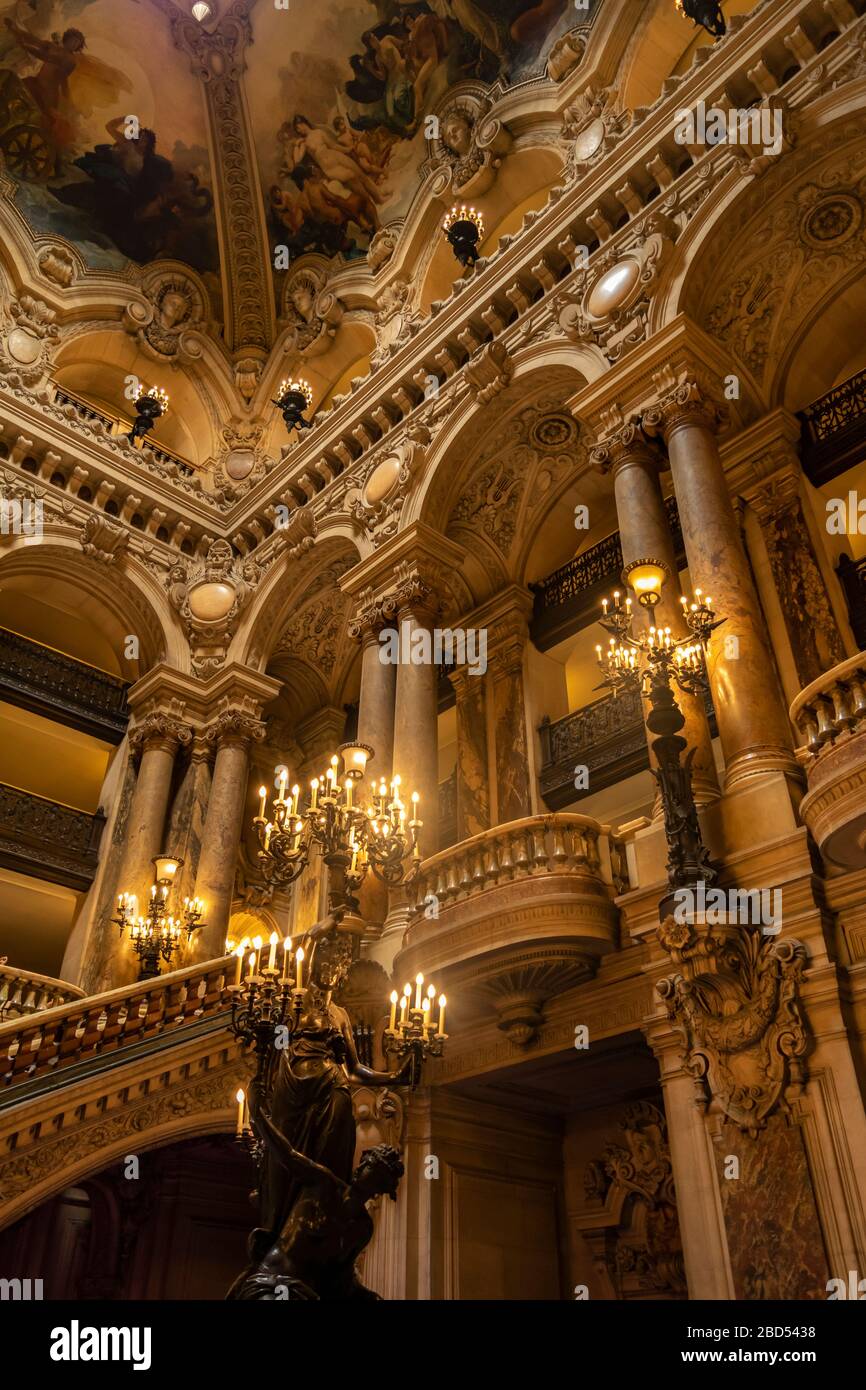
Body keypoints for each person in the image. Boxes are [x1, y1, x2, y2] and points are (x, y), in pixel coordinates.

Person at [228, 1113, 404, 1301]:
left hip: (306, 1294)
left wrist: (368, 1296)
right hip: (272, 1281)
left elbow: (342, 1278)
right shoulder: (324, 1185)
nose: (368, 1172)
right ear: (361, 1165)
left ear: (382, 1188)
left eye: (379, 1175)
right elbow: (287, 1155)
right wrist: (259, 1116)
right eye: (371, 1166)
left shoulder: (362, 1227)